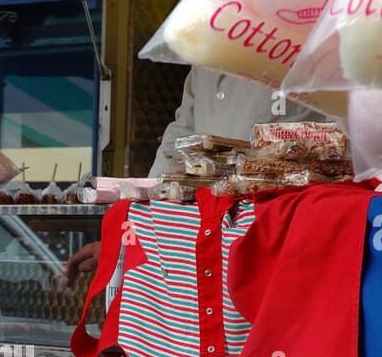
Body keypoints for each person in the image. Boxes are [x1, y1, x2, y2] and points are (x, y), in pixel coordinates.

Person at [63, 66, 326, 283]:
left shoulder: (313, 46)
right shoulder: (205, 62)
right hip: (202, 253)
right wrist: (125, 245)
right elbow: (177, 143)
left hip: (288, 250)